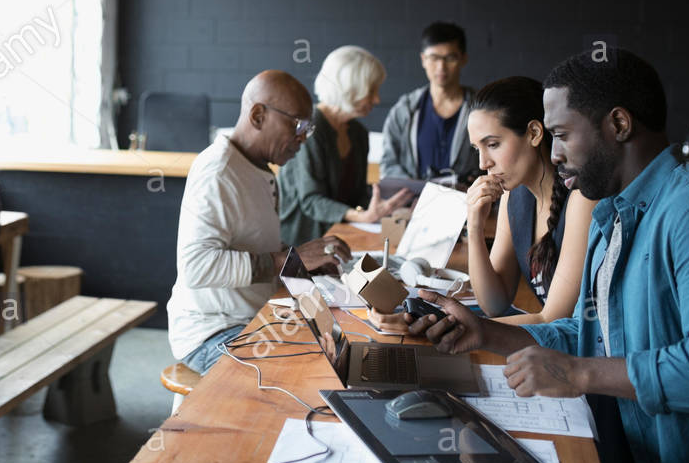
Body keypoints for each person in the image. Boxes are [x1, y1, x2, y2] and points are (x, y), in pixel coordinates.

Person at [411, 49, 689, 463]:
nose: (552, 154)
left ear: (619, 125)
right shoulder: (616, 216)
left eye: (562, 134)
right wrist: (489, 333)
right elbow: (597, 334)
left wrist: (579, 373)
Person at [371, 76, 592, 333]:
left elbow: (553, 321)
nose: (483, 163)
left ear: (534, 133)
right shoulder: (515, 197)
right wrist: (474, 226)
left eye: (493, 144)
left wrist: (447, 326)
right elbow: (494, 304)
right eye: (478, 148)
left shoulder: (581, 199)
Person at [167, 70, 353, 374]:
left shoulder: (258, 170)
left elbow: (255, 246)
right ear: (257, 115)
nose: (303, 137)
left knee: (339, 353)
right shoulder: (218, 172)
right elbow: (196, 266)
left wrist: (303, 259)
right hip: (211, 333)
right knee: (302, 376)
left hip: (252, 318)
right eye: (297, 125)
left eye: (309, 127)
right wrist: (285, 260)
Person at [277, 46, 412, 245]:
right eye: (371, 91)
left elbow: (356, 195)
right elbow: (311, 200)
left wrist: (391, 205)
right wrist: (363, 216)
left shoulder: (358, 134)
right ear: (349, 89)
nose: (377, 99)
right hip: (303, 242)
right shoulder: (309, 129)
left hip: (341, 236)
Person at [380, 22, 480, 182]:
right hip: (414, 204)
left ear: (463, 59)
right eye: (434, 58)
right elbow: (388, 164)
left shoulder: (481, 108)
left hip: (467, 203)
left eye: (450, 58)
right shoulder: (405, 109)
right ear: (423, 59)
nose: (441, 67)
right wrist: (416, 190)